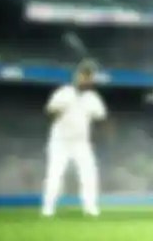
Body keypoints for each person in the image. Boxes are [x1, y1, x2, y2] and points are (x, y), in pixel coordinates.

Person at [42, 59, 107, 217]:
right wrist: (58, 111)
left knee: (89, 173)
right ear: (77, 75)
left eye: (89, 75)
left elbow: (101, 117)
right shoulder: (64, 93)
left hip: (81, 142)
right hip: (60, 141)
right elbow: (48, 112)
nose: (86, 78)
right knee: (55, 174)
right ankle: (48, 208)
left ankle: (90, 207)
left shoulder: (92, 98)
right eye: (84, 74)